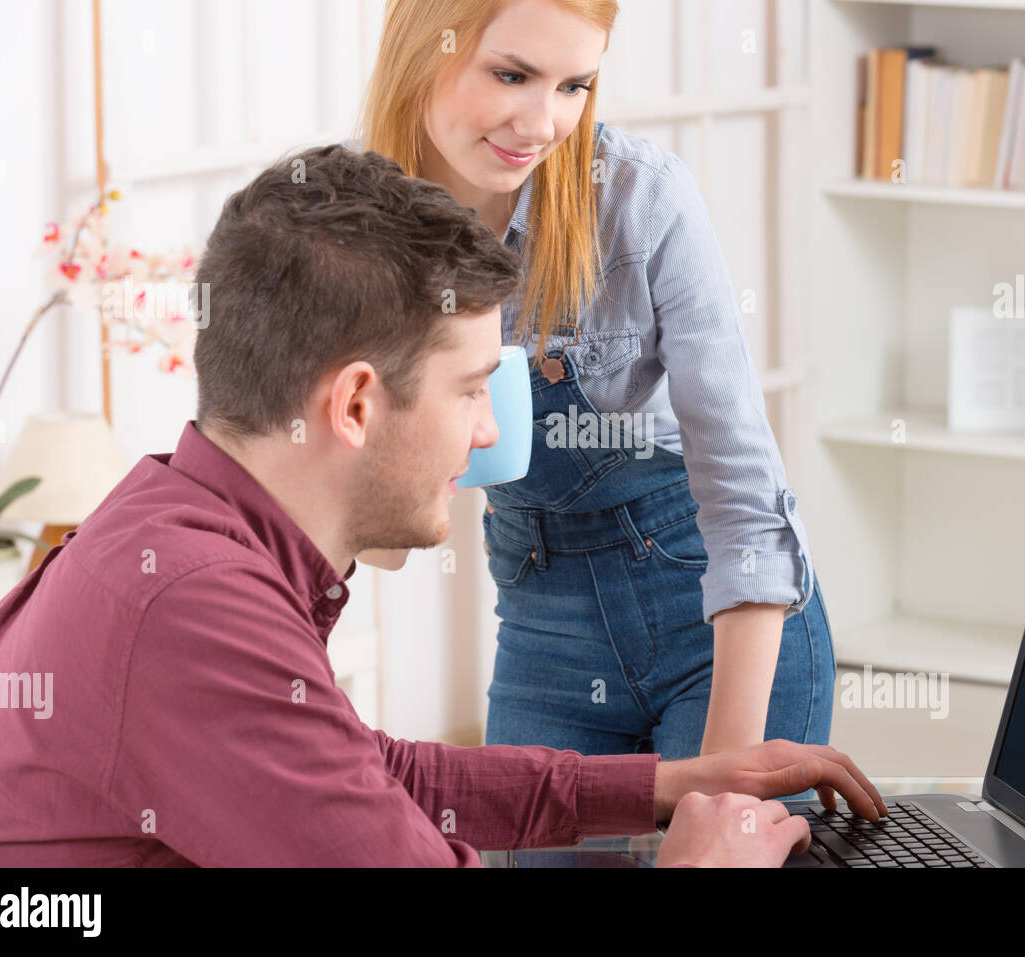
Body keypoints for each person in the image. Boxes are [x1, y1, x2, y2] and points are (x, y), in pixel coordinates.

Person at [0, 144, 886, 867]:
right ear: (355, 403)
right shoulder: (194, 609)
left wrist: (667, 783)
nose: (489, 437)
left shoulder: (174, 525)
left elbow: (367, 772)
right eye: (473, 389)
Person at [355, 0, 835, 763]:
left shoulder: (642, 201)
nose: (543, 124)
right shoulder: (349, 230)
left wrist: (721, 788)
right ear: (423, 46)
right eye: (512, 75)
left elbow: (747, 501)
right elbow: (368, 541)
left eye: (575, 84)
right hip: (544, 625)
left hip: (717, 612)